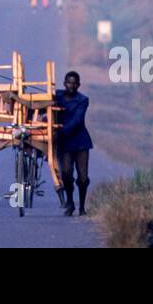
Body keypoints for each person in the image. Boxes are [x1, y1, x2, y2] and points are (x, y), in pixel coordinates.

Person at [54, 70, 94, 216]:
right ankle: (70, 203)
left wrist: (60, 131)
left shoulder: (83, 100)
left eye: (74, 83)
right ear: (64, 83)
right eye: (69, 82)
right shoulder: (57, 96)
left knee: (83, 177)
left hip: (80, 141)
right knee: (66, 174)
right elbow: (44, 107)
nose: (71, 85)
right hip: (64, 143)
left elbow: (77, 120)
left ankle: (82, 207)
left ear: (78, 85)